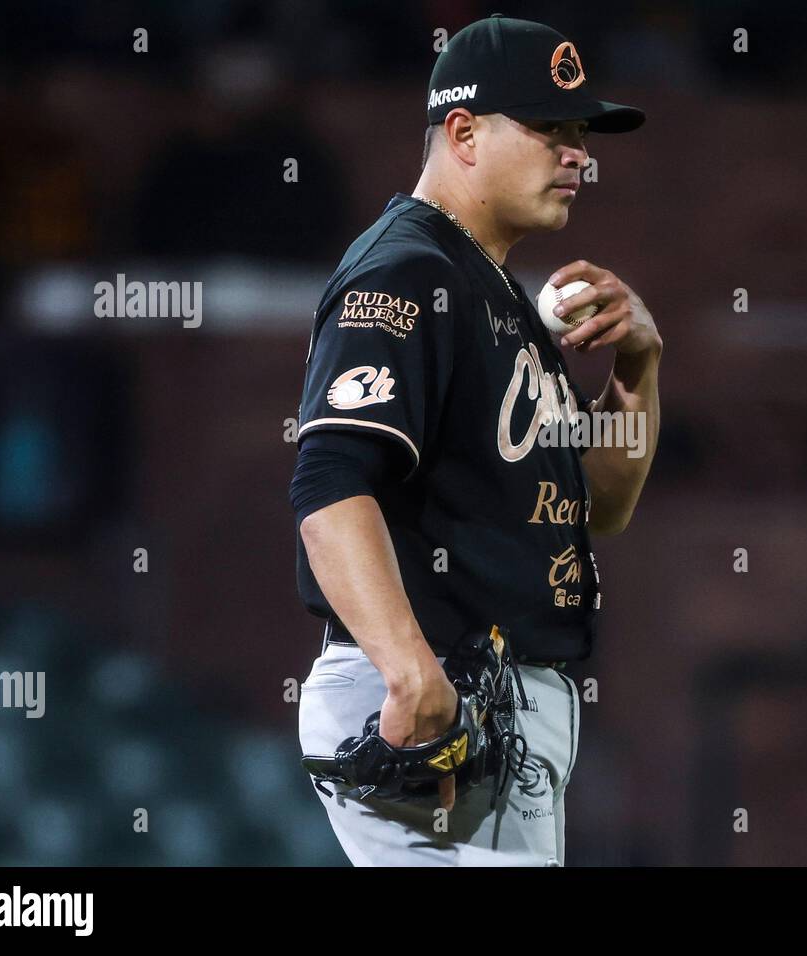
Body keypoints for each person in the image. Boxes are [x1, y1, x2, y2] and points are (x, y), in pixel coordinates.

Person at [289, 14, 660, 866]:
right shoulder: (404, 270)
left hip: (495, 694)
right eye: (549, 128)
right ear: (462, 132)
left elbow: (601, 504)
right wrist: (410, 672)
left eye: (580, 133)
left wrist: (639, 365)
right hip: (436, 689)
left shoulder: (489, 288)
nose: (578, 154)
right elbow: (330, 484)